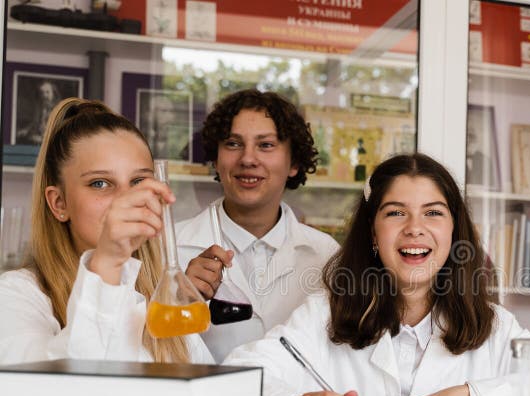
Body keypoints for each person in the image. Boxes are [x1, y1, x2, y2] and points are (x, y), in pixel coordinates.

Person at [225, 153, 530, 396]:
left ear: (454, 230)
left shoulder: (495, 326)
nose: (414, 228)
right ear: (373, 233)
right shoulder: (324, 315)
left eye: (433, 213)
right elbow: (240, 374)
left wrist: (469, 395)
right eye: (396, 213)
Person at [0, 97, 213, 365]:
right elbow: (58, 394)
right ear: (59, 203)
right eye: (100, 183)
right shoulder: (15, 297)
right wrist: (108, 260)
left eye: (138, 181)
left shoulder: (160, 304)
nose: (126, 199)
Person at [176, 89, 339, 361]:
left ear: (294, 163)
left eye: (266, 145)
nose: (248, 159)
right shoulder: (169, 249)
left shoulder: (326, 256)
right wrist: (179, 304)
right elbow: (142, 349)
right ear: (216, 160)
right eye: (232, 143)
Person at [16, 80, 61, 145]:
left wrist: (42, 139)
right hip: (38, 141)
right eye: (42, 93)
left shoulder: (59, 110)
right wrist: (25, 130)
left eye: (47, 92)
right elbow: (35, 123)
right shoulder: (41, 108)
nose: (44, 95)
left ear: (53, 93)